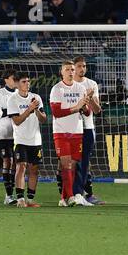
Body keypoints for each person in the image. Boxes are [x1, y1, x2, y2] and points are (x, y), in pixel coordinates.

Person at [50, 61, 93, 207]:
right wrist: (76, 107)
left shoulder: (80, 88)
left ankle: (64, 198)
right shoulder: (57, 89)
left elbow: (87, 112)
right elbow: (56, 113)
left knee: (73, 165)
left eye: (72, 69)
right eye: (67, 69)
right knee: (66, 164)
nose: (70, 72)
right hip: (61, 132)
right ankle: (70, 197)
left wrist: (85, 104)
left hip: (77, 131)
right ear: (61, 72)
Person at [9, 75, 46, 207]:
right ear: (17, 84)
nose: (27, 83)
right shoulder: (12, 99)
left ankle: (30, 199)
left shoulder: (36, 98)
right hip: (20, 140)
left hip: (35, 140)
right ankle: (20, 199)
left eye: (28, 81)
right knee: (21, 166)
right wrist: (29, 109)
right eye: (24, 81)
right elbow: (17, 121)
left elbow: (43, 119)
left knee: (34, 169)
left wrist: (35, 109)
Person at [72, 56, 104, 204]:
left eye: (84, 66)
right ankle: (69, 194)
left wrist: (90, 97)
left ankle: (82, 193)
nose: (82, 69)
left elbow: (97, 110)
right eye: (79, 66)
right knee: (69, 163)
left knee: (84, 162)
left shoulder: (91, 84)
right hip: (70, 129)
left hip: (87, 128)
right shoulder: (68, 85)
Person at [0, 73, 18, 205]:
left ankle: (12, 193)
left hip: (17, 134)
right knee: (7, 161)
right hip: (3, 133)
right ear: (6, 79)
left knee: (16, 163)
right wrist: (12, 111)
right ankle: (8, 195)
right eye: (13, 78)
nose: (15, 81)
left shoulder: (19, 93)